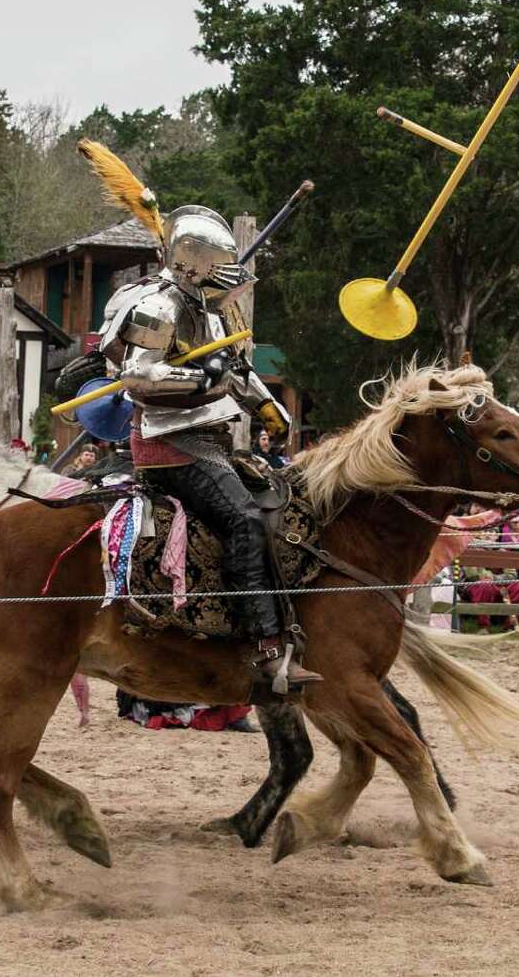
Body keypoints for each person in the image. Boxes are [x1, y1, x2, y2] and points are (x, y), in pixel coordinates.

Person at [97, 199, 314, 691]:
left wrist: (268, 409)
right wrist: (200, 378)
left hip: (210, 438)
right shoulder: (159, 305)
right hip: (168, 441)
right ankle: (263, 648)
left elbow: (236, 370)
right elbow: (137, 377)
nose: (225, 276)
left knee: (281, 509)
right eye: (217, 266)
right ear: (193, 263)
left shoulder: (210, 307)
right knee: (243, 519)